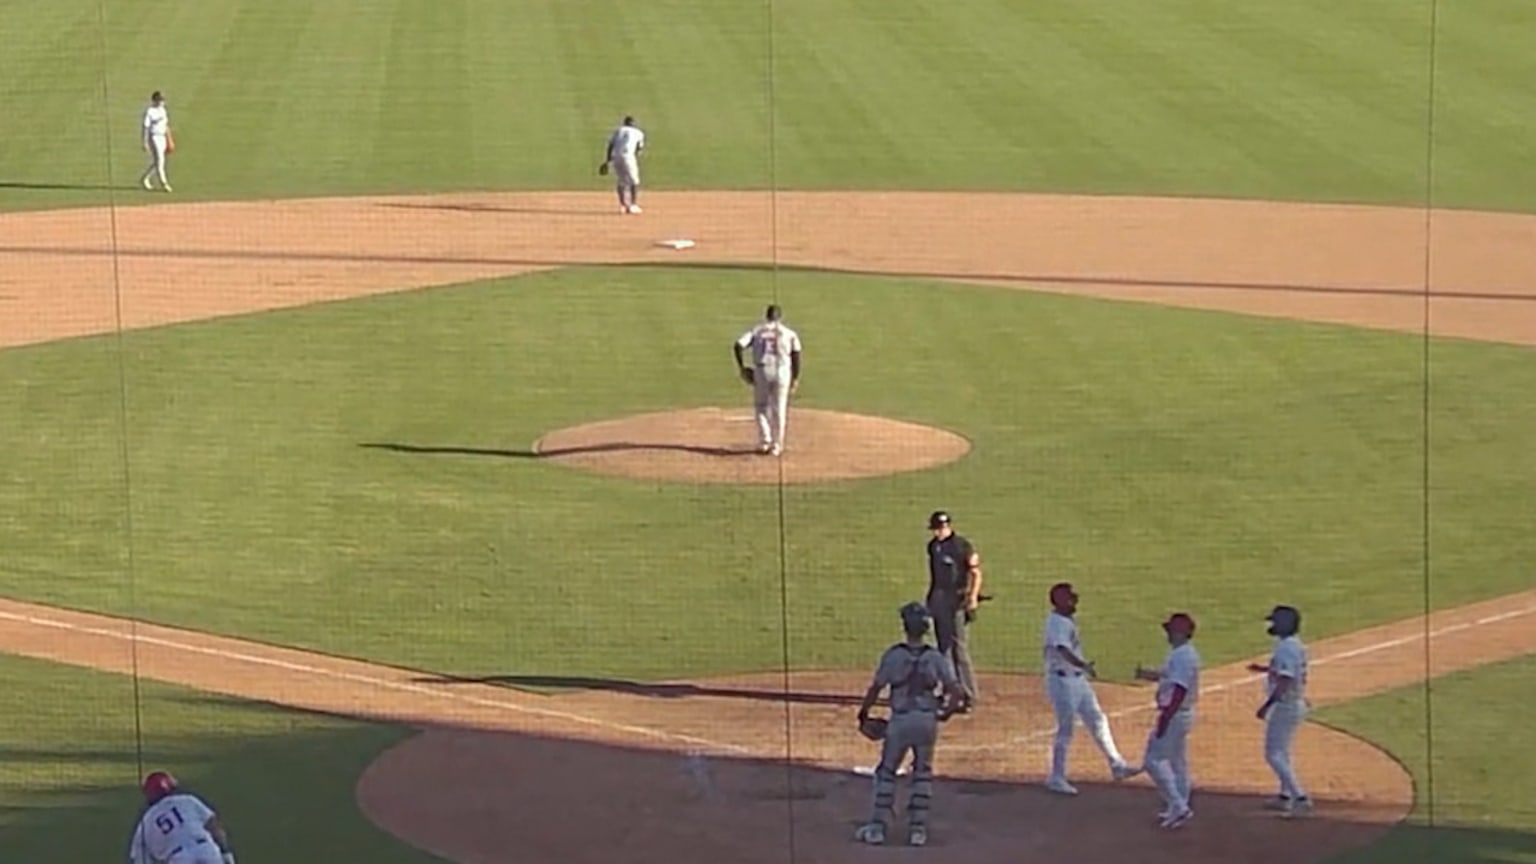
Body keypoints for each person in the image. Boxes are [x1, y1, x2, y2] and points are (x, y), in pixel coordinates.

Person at [853, 601, 966, 847]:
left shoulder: (893, 655)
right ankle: (918, 830)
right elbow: (956, 691)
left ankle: (877, 828)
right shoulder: (935, 657)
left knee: (887, 771)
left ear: (905, 626)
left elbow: (876, 688)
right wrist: (944, 712)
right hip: (927, 721)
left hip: (901, 720)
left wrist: (863, 713)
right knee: (922, 772)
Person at [1042, 581, 1135, 794]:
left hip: (1077, 680)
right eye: (1070, 598)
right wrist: (1083, 664)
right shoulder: (1056, 622)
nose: (1075, 600)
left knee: (1097, 719)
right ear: (1060, 601)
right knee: (1066, 729)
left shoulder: (1066, 620)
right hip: (1062, 680)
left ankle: (1117, 764)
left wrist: (1082, 669)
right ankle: (1056, 777)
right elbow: (1063, 649)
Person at [1132, 612, 1201, 829]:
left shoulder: (1183, 656)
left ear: (1180, 632)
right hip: (1181, 714)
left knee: (1153, 761)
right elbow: (1169, 676)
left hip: (1175, 713)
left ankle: (1179, 806)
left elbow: (1179, 689)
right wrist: (1147, 674)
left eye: (1170, 630)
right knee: (1177, 761)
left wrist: (1165, 717)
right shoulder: (1182, 653)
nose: (1167, 634)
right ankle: (1178, 805)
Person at [1249, 604, 1312, 817]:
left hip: (1286, 706)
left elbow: (1286, 679)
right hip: (1294, 703)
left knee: (1273, 754)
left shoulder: (1286, 648)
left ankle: (1300, 797)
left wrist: (1267, 705)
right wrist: (1265, 669)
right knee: (1282, 752)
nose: (1272, 624)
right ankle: (1285, 797)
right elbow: (1288, 671)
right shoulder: (1295, 645)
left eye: (1275, 621)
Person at [923, 511, 981, 707]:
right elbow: (935, 577)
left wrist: (972, 597)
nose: (936, 533)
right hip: (939, 599)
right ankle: (949, 691)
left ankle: (968, 694)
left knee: (958, 648)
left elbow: (975, 573)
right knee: (942, 648)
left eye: (939, 529)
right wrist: (930, 599)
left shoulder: (961, 546)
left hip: (956, 600)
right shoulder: (933, 547)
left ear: (947, 527)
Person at [733, 304, 802, 455]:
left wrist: (742, 368)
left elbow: (738, 345)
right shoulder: (789, 333)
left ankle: (765, 441)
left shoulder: (757, 331)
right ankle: (777, 446)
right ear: (780, 317)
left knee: (761, 406)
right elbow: (796, 356)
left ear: (767, 316)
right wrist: (795, 378)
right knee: (780, 408)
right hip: (782, 371)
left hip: (762, 370)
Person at [128, 771, 236, 864]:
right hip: (205, 849)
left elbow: (139, 858)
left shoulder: (146, 821)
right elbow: (214, 827)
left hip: (179, 859)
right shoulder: (187, 800)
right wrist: (226, 853)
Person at [599, 115, 646, 213]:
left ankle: (623, 205)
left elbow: (610, 145)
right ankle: (633, 205)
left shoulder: (618, 131)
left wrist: (607, 161)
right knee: (634, 181)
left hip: (615, 156)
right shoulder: (638, 133)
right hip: (628, 156)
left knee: (621, 181)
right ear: (633, 124)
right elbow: (638, 148)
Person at [140, 91, 173, 192]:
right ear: (154, 100)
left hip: (162, 137)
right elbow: (145, 127)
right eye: (159, 100)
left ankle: (145, 178)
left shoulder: (163, 110)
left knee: (158, 161)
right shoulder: (150, 112)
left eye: (162, 100)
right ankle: (164, 183)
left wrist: (169, 139)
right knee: (160, 160)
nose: (161, 102)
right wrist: (145, 141)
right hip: (154, 137)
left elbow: (166, 126)